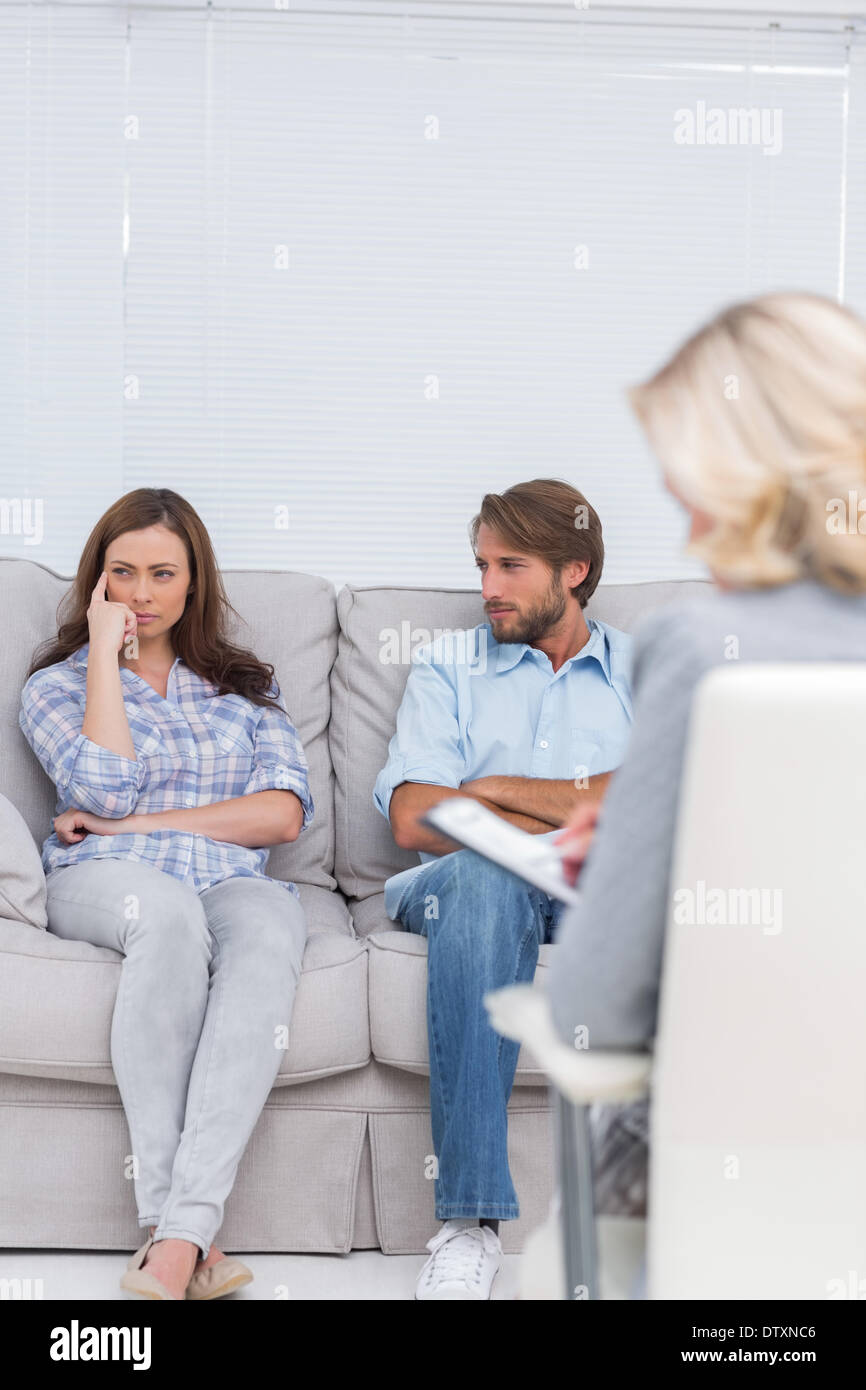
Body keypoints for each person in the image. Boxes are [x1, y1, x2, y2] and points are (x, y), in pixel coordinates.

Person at [549, 291, 866, 1294]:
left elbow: (590, 1013)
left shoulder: (701, 651)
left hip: (726, 1229)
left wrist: (620, 886)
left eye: (687, 484)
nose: (685, 528)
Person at [18, 487, 314, 1301]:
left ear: (193, 584)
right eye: (122, 574)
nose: (141, 594)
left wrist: (145, 821)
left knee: (271, 929)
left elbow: (282, 815)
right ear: (96, 582)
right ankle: (178, 1230)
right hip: (101, 881)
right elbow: (103, 792)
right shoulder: (56, 687)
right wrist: (105, 658)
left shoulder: (245, 687)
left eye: (161, 574)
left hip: (229, 880)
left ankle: (178, 1240)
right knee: (169, 916)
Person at [373, 477, 634, 1299]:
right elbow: (415, 819)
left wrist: (490, 791)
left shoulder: (642, 667)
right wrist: (577, 805)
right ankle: (468, 1222)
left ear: (575, 571)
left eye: (511, 566)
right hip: (463, 888)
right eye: (482, 564)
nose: (487, 588)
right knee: (487, 874)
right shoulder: (448, 664)